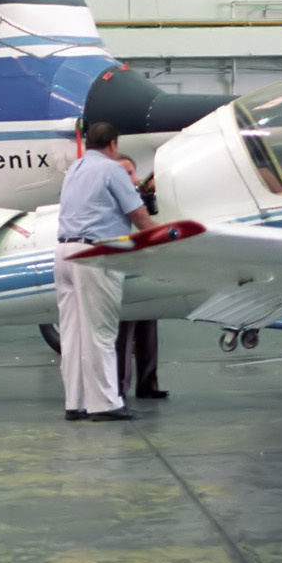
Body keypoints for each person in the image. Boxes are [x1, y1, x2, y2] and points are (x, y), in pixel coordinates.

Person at [55, 123, 156, 422]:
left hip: (63, 252)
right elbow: (137, 214)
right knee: (100, 331)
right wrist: (164, 238)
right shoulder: (112, 170)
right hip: (96, 253)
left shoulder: (74, 169)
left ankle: (76, 403)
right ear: (113, 143)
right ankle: (106, 404)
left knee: (72, 333)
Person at [114, 155, 169, 402]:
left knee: (149, 329)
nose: (128, 178)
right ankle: (119, 387)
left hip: (148, 268)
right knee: (125, 332)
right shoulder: (116, 199)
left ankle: (148, 383)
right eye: (122, 173)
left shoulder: (143, 196)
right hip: (126, 267)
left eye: (130, 173)